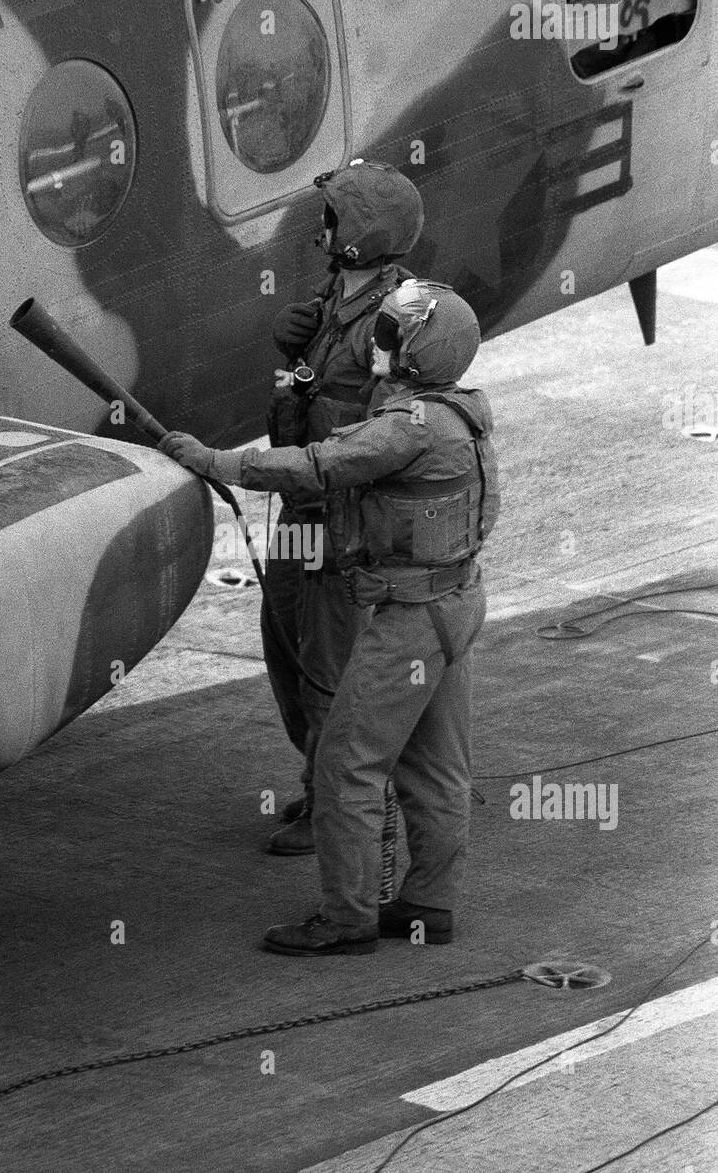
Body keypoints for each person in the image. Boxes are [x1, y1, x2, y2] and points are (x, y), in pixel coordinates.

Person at [160, 280, 499, 956]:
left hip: (409, 613)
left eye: (388, 336)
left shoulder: (407, 430)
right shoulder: (454, 412)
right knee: (433, 765)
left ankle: (347, 920)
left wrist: (211, 460)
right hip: (452, 603)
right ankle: (427, 904)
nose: (375, 343)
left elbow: (319, 466)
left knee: (346, 766)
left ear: (417, 351)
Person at [261, 159, 424, 856]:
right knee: (284, 644)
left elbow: (394, 425)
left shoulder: (401, 315)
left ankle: (343, 802)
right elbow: (311, 389)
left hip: (341, 513)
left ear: (358, 231)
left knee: (329, 666)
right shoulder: (336, 293)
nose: (318, 227)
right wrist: (297, 363)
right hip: (303, 500)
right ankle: (319, 778)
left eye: (330, 216)